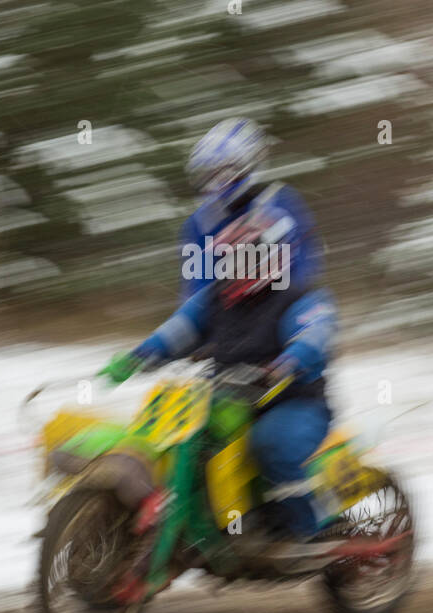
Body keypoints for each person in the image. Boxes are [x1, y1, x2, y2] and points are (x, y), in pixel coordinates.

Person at [102, 205, 336, 547]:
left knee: (273, 445)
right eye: (227, 259)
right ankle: (208, 524)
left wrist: (286, 363)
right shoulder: (214, 299)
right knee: (177, 441)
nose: (232, 268)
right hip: (228, 397)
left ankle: (310, 530)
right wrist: (139, 356)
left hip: (290, 402)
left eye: (242, 258)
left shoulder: (299, 298)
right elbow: (179, 331)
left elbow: (314, 334)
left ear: (268, 258)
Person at [178, 117, 322, 302]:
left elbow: (304, 270)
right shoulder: (199, 223)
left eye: (224, 173)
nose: (215, 184)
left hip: (282, 306)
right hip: (227, 317)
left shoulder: (283, 202)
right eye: (208, 175)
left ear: (247, 166)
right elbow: (196, 291)